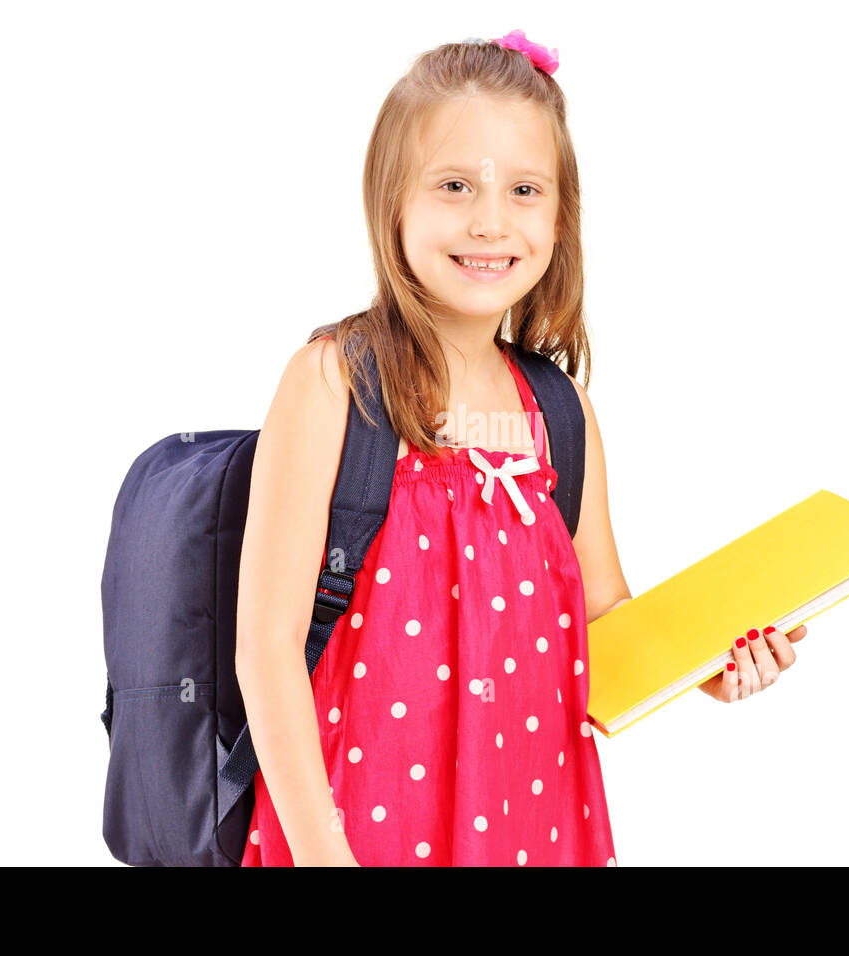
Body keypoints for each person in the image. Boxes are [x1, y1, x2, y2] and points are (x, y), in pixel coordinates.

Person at [234, 30, 807, 867]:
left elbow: (605, 623)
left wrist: (711, 667)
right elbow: (268, 648)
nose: (491, 221)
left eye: (525, 190)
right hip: (359, 829)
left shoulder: (558, 412)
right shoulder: (333, 383)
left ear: (560, 217)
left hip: (532, 824)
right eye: (456, 185)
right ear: (391, 200)